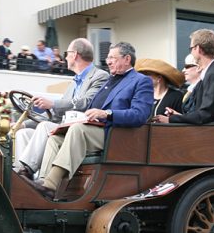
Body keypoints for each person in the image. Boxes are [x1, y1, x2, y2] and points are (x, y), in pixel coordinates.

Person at [32, 42, 153, 199]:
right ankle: (44, 185)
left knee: (78, 131)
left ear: (127, 59)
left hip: (115, 135)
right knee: (55, 137)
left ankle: (50, 186)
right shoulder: (110, 80)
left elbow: (139, 115)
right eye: (107, 58)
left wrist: (107, 113)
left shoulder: (141, 80)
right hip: (93, 129)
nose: (107, 61)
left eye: (112, 58)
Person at [15, 38, 109, 180]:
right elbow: (54, 115)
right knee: (23, 133)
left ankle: (26, 171)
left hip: (79, 131)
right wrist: (22, 124)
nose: (65, 57)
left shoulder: (100, 76)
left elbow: (87, 102)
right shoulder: (73, 83)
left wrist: (53, 103)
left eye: (67, 53)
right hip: (64, 127)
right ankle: (23, 176)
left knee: (45, 126)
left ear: (75, 54)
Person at [160, 29, 214, 125]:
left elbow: (204, 115)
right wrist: (178, 116)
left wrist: (170, 120)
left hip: (213, 135)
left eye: (191, 49)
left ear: (198, 49)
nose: (191, 53)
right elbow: (204, 114)